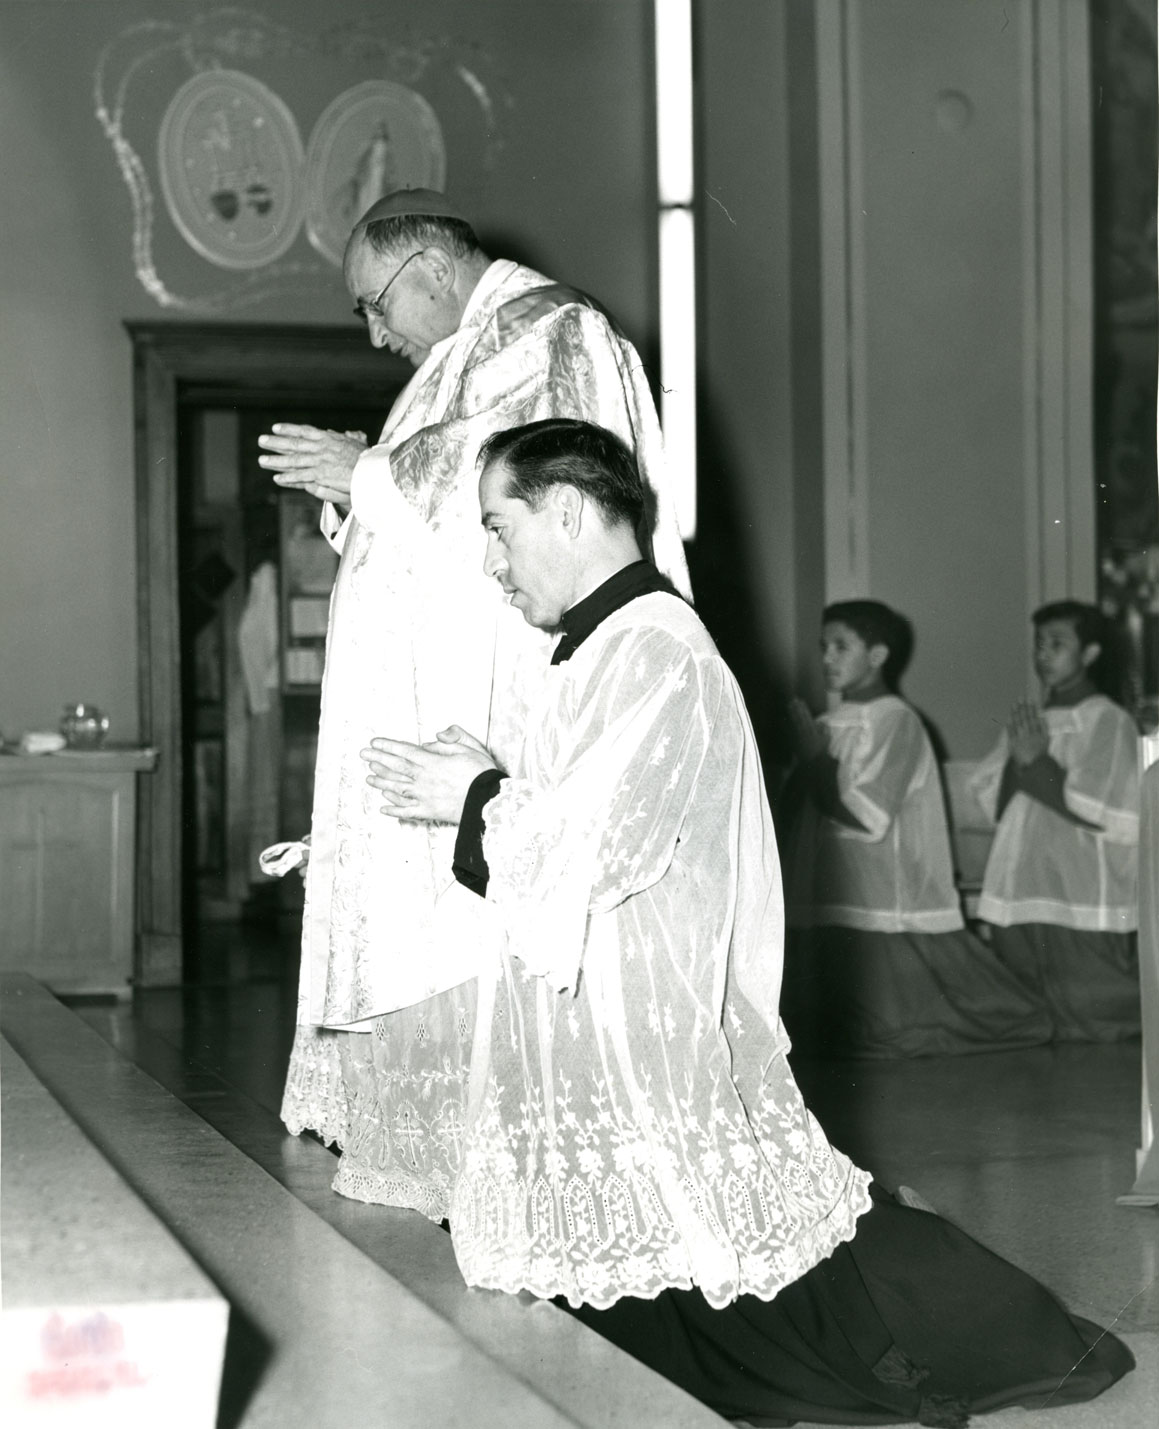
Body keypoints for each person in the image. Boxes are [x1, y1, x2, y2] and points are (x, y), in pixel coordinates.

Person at [362, 420, 1132, 1427]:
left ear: (566, 509)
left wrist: (476, 795)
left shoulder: (656, 650)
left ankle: (1010, 1331)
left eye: (500, 527)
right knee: (689, 1250)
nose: (493, 559)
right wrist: (491, 789)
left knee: (767, 1266)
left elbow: (606, 851)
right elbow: (580, 823)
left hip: (661, 1008)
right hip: (620, 999)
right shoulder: (600, 647)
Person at [257, 189, 689, 1214]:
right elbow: (423, 522)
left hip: (502, 690)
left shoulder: (556, 330)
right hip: (440, 687)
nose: (375, 333)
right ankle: (447, 1146)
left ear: (435, 269)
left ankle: (511, 1154)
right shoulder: (459, 353)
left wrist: (365, 471)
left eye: (376, 304)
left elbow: (539, 479)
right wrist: (353, 494)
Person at [779, 600, 1051, 1057]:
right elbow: (793, 816)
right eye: (824, 647)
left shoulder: (897, 720)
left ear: (878, 655)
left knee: (898, 1029)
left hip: (883, 900)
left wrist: (814, 762)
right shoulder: (823, 725)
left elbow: (865, 815)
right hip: (828, 897)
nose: (826, 658)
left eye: (841, 646)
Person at [969, 600, 1141, 1041]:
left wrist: (1036, 760)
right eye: (1039, 644)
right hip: (1023, 877)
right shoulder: (1033, 720)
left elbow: (1103, 809)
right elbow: (1000, 805)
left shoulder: (1107, 719)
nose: (1043, 654)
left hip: (1077, 882)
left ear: (1090, 654)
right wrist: (1021, 759)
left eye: (1058, 644)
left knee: (1093, 1014)